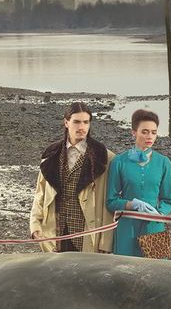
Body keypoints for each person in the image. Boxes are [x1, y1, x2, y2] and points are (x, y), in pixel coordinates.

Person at [30, 102, 113, 253]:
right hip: (55, 233)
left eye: (86, 122)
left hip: (88, 234)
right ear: (66, 122)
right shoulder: (51, 154)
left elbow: (108, 204)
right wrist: (35, 225)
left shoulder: (104, 157)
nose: (82, 127)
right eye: (76, 122)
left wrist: (105, 243)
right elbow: (40, 194)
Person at [107, 110, 171, 257]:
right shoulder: (119, 162)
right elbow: (111, 201)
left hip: (154, 225)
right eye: (144, 132)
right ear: (134, 132)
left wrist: (159, 213)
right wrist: (132, 204)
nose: (150, 136)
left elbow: (168, 200)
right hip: (126, 227)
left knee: (155, 269)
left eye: (153, 132)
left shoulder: (164, 163)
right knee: (125, 267)